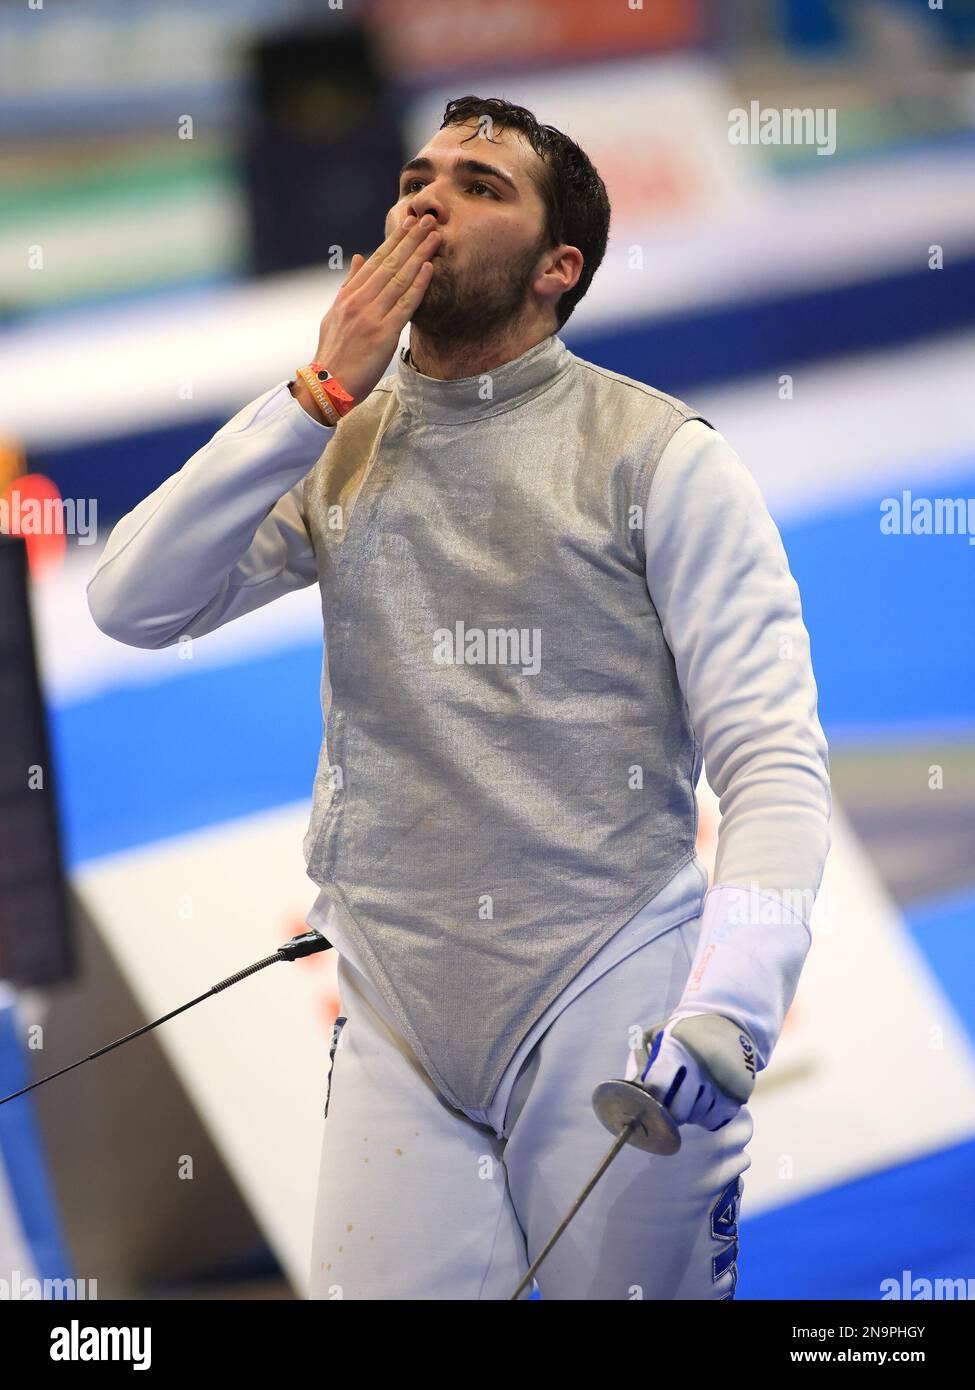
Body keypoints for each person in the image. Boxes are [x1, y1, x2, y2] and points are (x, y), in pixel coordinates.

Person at [87, 95, 831, 1300]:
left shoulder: (662, 458)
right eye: (418, 176)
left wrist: (736, 1000)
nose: (427, 198)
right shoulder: (339, 441)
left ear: (558, 267)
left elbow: (774, 761)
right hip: (392, 1002)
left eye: (480, 186)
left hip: (609, 989)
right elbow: (130, 601)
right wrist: (312, 394)